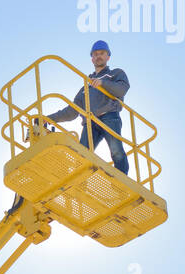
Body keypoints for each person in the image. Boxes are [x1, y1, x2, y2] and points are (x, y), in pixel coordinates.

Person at [47, 42, 130, 175]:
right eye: (95, 54)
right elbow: (71, 111)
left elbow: (121, 90)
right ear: (92, 59)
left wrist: (103, 83)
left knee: (116, 152)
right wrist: (48, 119)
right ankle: (80, 184)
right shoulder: (87, 86)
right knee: (81, 155)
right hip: (90, 122)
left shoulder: (115, 74)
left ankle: (123, 181)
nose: (98, 56)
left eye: (102, 53)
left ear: (108, 56)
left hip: (109, 116)